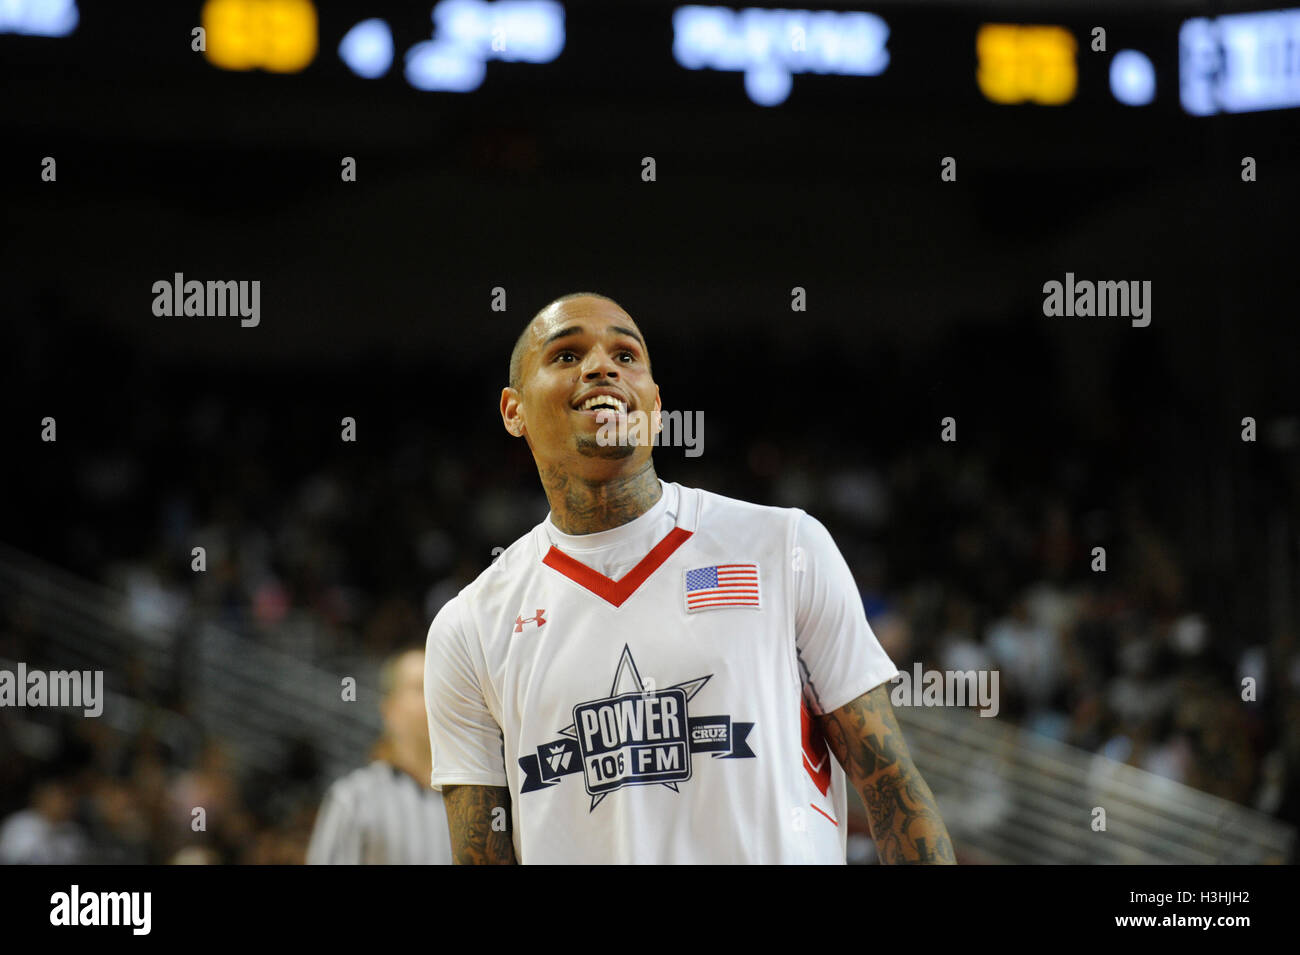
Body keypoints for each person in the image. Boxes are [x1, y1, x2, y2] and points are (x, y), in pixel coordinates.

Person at [424, 292, 954, 864]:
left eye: (626, 356)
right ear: (513, 410)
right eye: (567, 354)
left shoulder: (784, 547)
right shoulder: (469, 626)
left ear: (654, 402)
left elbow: (891, 787)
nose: (602, 365)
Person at [307, 647, 452, 864]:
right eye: (420, 689)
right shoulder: (353, 798)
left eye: (440, 687)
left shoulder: (471, 798)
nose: (434, 698)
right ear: (390, 708)